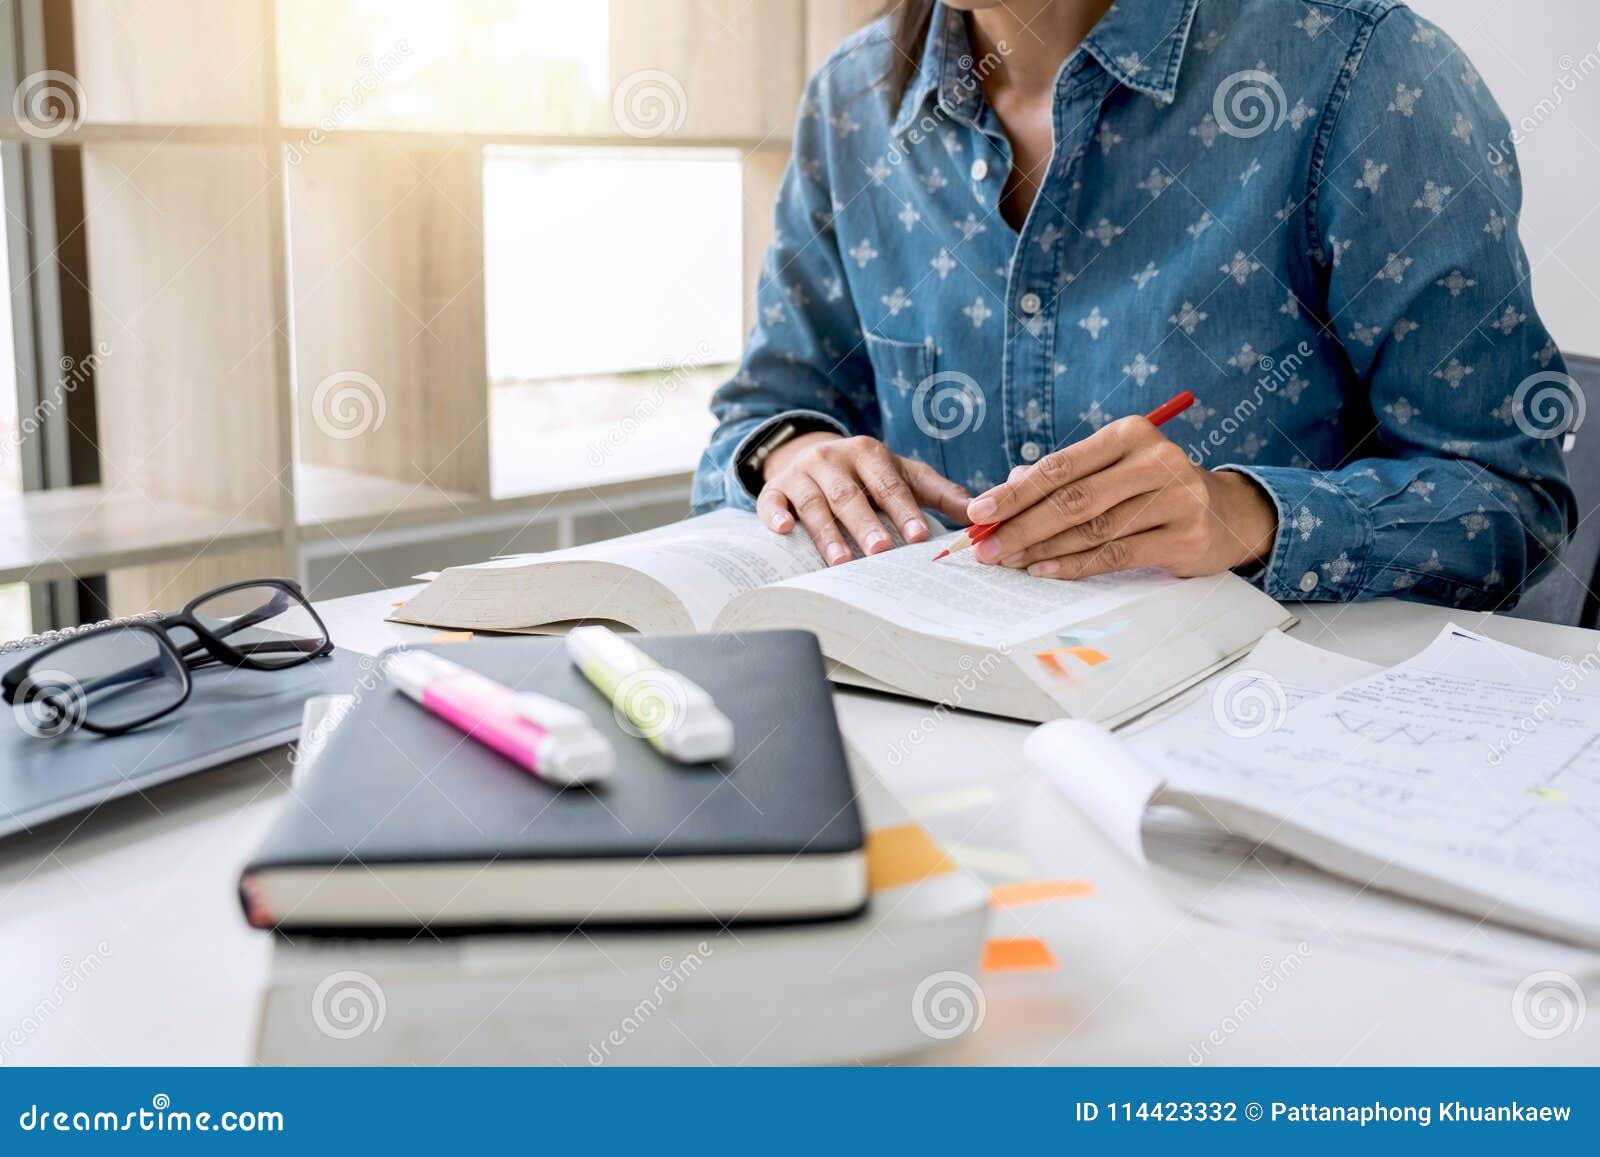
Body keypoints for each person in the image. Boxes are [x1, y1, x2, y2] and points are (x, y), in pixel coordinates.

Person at [691, 0, 1577, 608]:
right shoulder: (849, 106)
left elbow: (1512, 504)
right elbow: (759, 415)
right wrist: (794, 451)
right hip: (935, 732)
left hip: (1253, 750)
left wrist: (1248, 516)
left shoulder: (1369, 72)